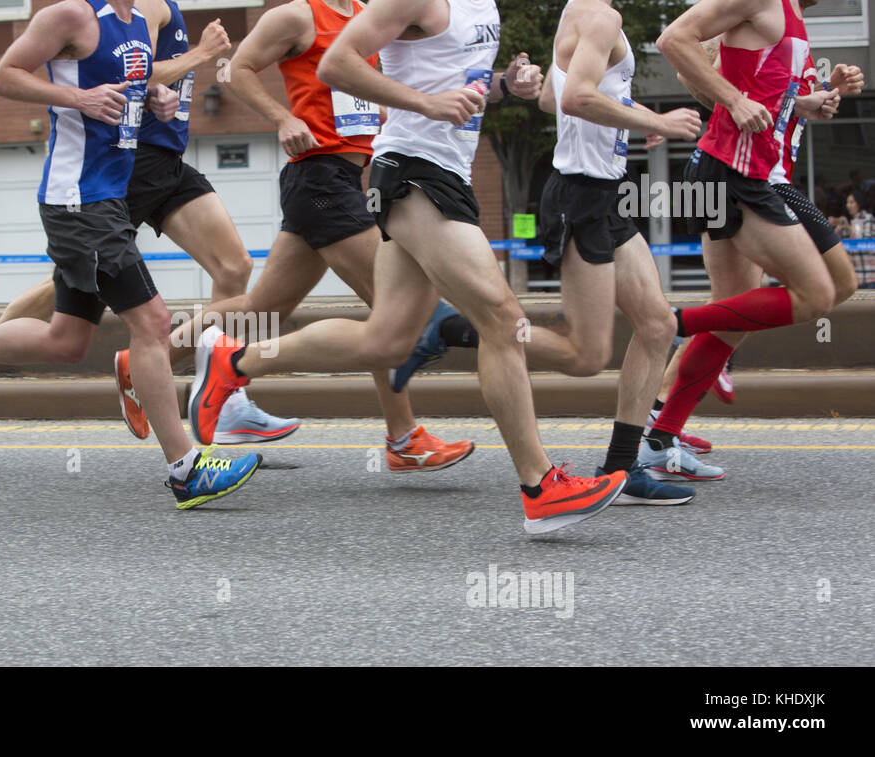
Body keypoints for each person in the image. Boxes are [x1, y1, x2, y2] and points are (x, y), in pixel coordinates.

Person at [189, 0, 629, 533]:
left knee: (387, 341)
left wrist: (504, 87)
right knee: (500, 318)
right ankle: (541, 486)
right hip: (414, 173)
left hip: (444, 172)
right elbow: (337, 64)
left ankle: (235, 363)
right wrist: (424, 104)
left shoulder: (479, 5)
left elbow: (447, 77)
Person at [0, 0, 262, 509]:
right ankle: (186, 469)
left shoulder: (141, 21)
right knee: (153, 325)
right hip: (79, 199)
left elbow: (131, 83)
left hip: (107, 194)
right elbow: (3, 78)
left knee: (65, 339)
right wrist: (78, 98)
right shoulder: (73, 15)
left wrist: (153, 97)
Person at [173, 0, 476, 473]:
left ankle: (145, 358)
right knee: (391, 311)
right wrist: (282, 118)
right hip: (318, 177)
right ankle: (403, 439)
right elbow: (236, 69)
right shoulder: (297, 16)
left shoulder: (367, 13)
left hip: (346, 178)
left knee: (261, 311)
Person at [644, 12, 863, 471]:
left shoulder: (793, 16)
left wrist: (810, 102)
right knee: (820, 291)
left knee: (734, 319)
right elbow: (675, 44)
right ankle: (670, 323)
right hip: (736, 171)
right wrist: (734, 100)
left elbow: (773, 96)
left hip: (752, 172)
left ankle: (658, 437)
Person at [513, 0, 701, 502]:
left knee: (658, 325)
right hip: (580, 196)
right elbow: (576, 98)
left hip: (603, 196)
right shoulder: (601, 18)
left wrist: (641, 117)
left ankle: (622, 470)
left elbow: (553, 101)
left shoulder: (579, 14)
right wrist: (654, 117)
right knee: (586, 355)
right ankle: (452, 329)